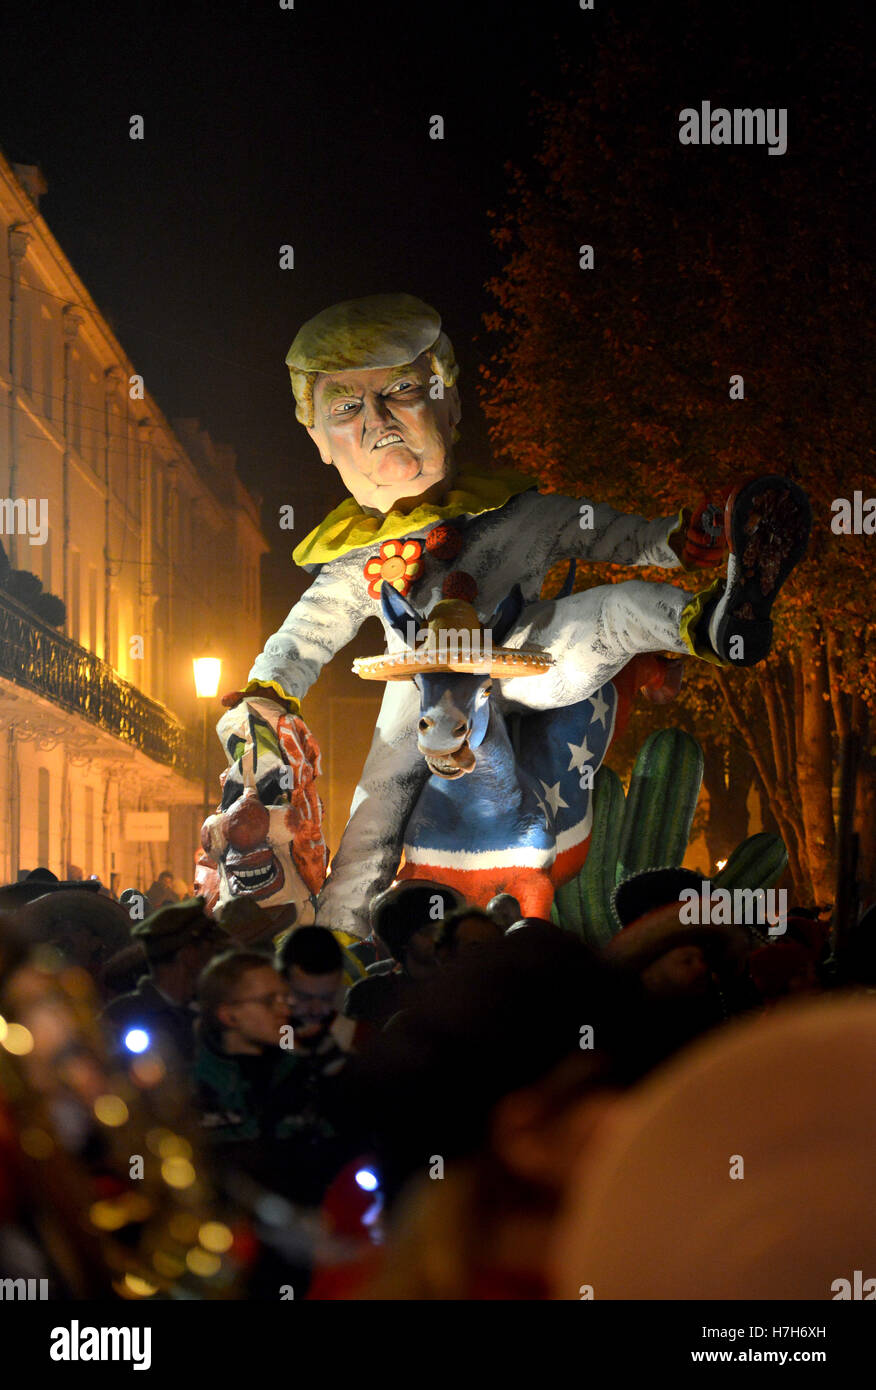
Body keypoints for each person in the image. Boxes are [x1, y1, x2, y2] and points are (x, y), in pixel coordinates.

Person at [219, 292, 811, 938]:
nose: (378, 419)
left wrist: (677, 539)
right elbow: (306, 633)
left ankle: (714, 624)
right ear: (319, 442)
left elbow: (608, 534)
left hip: (522, 653)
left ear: (450, 402)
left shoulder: (516, 511)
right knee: (373, 822)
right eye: (346, 407)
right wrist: (267, 692)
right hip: (418, 684)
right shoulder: (352, 558)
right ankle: (342, 945)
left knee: (610, 613)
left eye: (401, 390)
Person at [196, 947, 363, 1208]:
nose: (284, 1010)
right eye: (268, 1001)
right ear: (228, 1014)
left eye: (286, 998)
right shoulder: (190, 1090)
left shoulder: (310, 1073)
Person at [100, 898, 231, 1064]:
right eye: (210, 950)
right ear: (189, 955)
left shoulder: (207, 1013)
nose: (216, 959)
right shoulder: (124, 1017)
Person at [345, 880, 463, 1029]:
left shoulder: (465, 993)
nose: (438, 939)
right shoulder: (368, 994)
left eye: (443, 931)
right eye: (427, 932)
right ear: (402, 937)